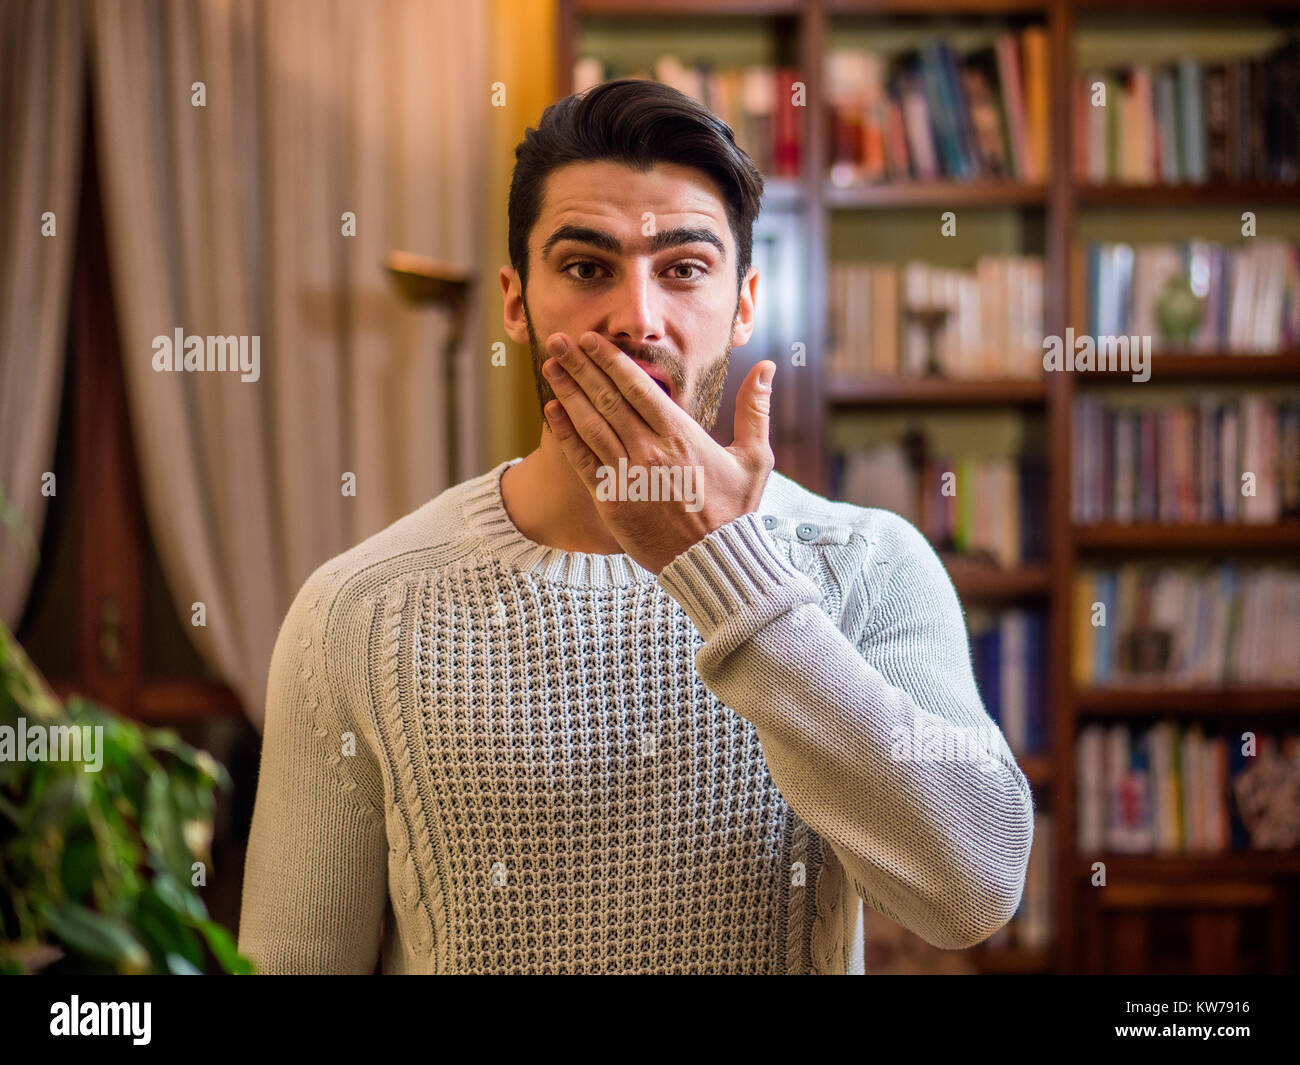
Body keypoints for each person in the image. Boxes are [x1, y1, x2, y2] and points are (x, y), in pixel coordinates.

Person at [237, 78, 1034, 975]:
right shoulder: (356, 611)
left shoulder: (868, 565)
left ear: (742, 302)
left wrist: (734, 577)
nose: (637, 319)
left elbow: (974, 888)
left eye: (684, 269)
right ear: (515, 300)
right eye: (586, 268)